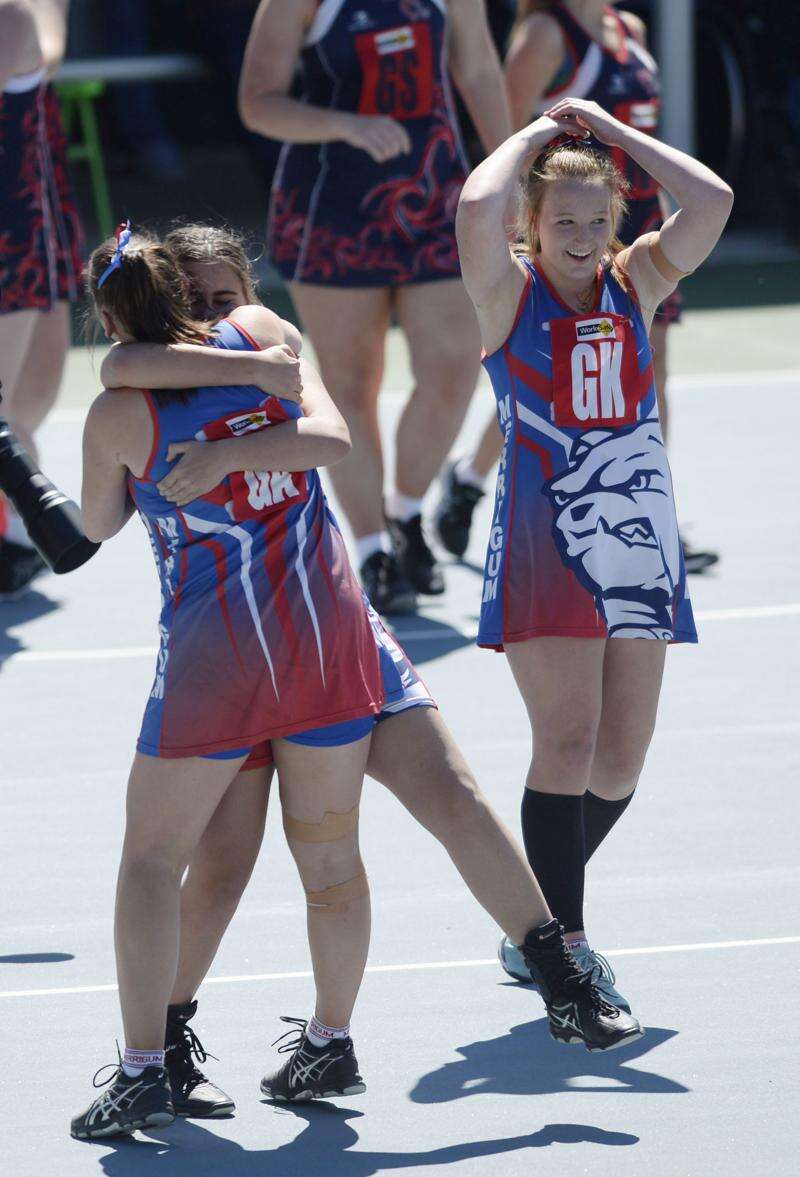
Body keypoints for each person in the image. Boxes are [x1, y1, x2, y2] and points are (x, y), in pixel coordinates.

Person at [96, 220, 642, 1122]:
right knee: (227, 865)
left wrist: (234, 429)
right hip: (241, 648)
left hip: (328, 634)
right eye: (188, 302)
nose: (208, 316)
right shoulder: (181, 379)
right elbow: (122, 371)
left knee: (448, 797)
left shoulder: (268, 347)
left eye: (223, 298)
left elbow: (329, 435)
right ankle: (177, 1039)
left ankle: (560, 972)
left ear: (250, 295)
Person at [71, 224, 399, 1139]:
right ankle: (331, 1038)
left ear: (107, 317)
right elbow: (323, 435)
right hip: (322, 645)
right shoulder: (261, 334)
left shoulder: (120, 413)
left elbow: (97, 525)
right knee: (332, 862)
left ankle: (142, 1069)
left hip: (218, 658)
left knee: (149, 860)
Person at [455, 99, 732, 1001]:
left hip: (640, 540)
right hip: (548, 536)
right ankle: (562, 945)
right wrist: (536, 138)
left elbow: (715, 198)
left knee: (621, 759)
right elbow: (470, 208)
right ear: (529, 226)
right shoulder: (508, 294)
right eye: (560, 220)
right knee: (567, 741)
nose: (580, 236)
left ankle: (529, 914)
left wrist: (613, 137)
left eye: (594, 219)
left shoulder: (636, 281)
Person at [238, 0, 512, 613]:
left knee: (453, 368)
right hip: (332, 208)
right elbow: (259, 102)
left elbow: (479, 70)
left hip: (438, 197)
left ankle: (407, 511)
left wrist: (515, 172)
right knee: (352, 384)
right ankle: (370, 551)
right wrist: (344, 123)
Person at [435, 0, 719, 574]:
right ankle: (470, 478)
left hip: (632, 219)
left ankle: (646, 499)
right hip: (563, 222)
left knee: (640, 372)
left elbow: (661, 146)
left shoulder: (629, 30)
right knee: (548, 370)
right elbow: (508, 135)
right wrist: (523, 232)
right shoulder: (544, 34)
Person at [0, 0, 83, 598]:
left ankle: (18, 534)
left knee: (25, 403)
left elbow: (41, 47)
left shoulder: (15, 17)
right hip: (24, 206)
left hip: (22, 205)